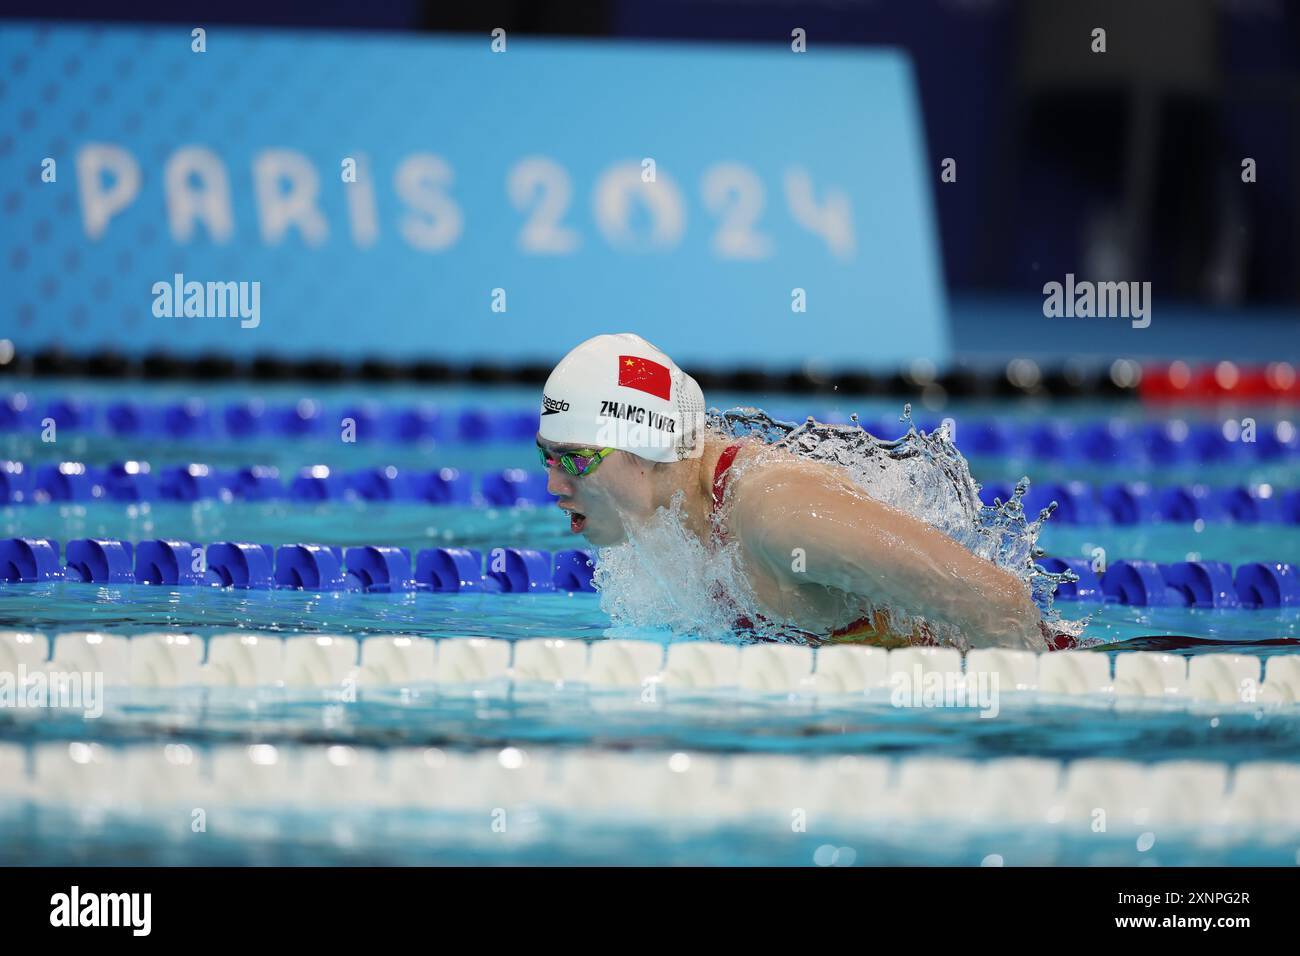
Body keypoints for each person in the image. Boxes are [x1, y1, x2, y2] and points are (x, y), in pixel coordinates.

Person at [536, 332, 1069, 651]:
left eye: (574, 460)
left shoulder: (780, 516)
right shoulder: (660, 525)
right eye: (546, 456)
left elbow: (999, 602)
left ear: (645, 447)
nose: (553, 485)